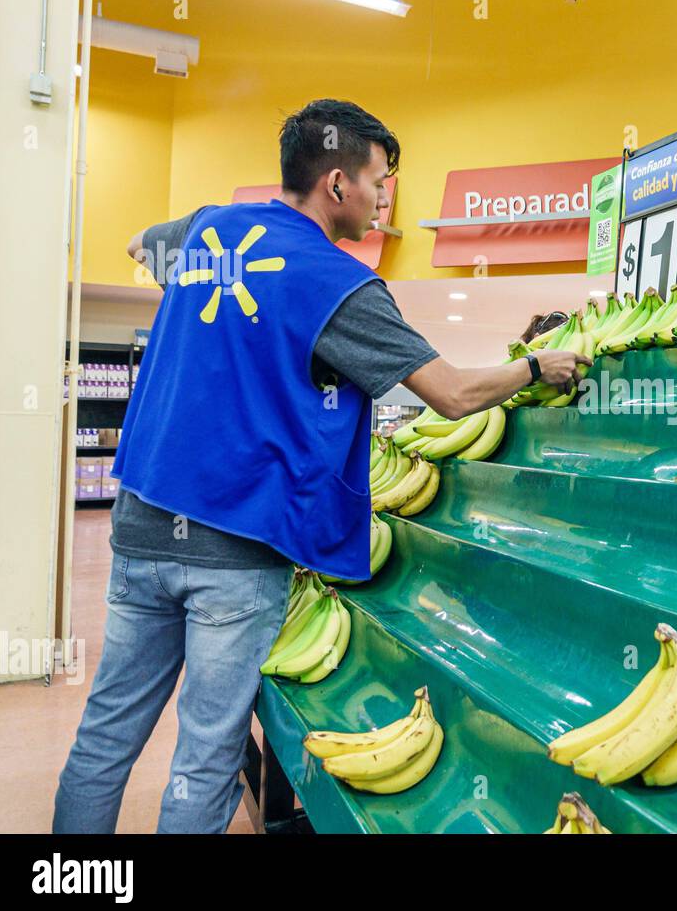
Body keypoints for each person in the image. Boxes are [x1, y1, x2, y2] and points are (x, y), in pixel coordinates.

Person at [53, 99, 589, 834]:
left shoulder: (209, 228)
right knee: (206, 754)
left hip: (142, 526)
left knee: (107, 731)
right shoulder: (339, 283)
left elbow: (136, 244)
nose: (383, 199)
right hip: (235, 553)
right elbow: (455, 394)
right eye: (378, 181)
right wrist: (535, 366)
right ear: (336, 183)